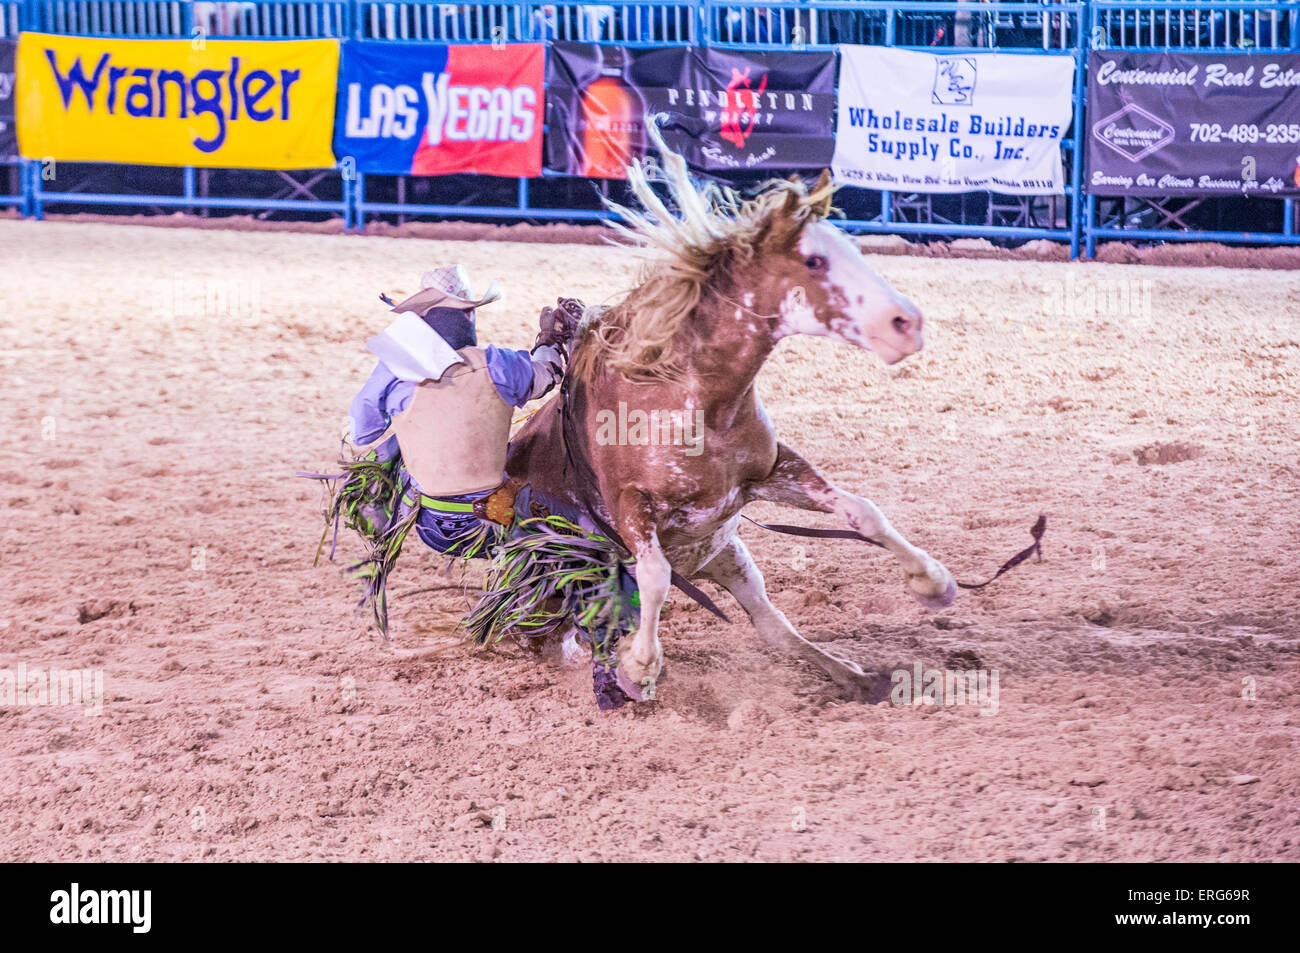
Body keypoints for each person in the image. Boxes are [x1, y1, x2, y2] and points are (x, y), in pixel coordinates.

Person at [346, 264, 578, 558]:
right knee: (581, 514)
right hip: (496, 520)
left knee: (401, 443)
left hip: (431, 527)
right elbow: (548, 376)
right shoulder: (499, 364)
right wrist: (550, 338)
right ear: (470, 314)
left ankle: (382, 514)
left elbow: (362, 432)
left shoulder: (393, 370)